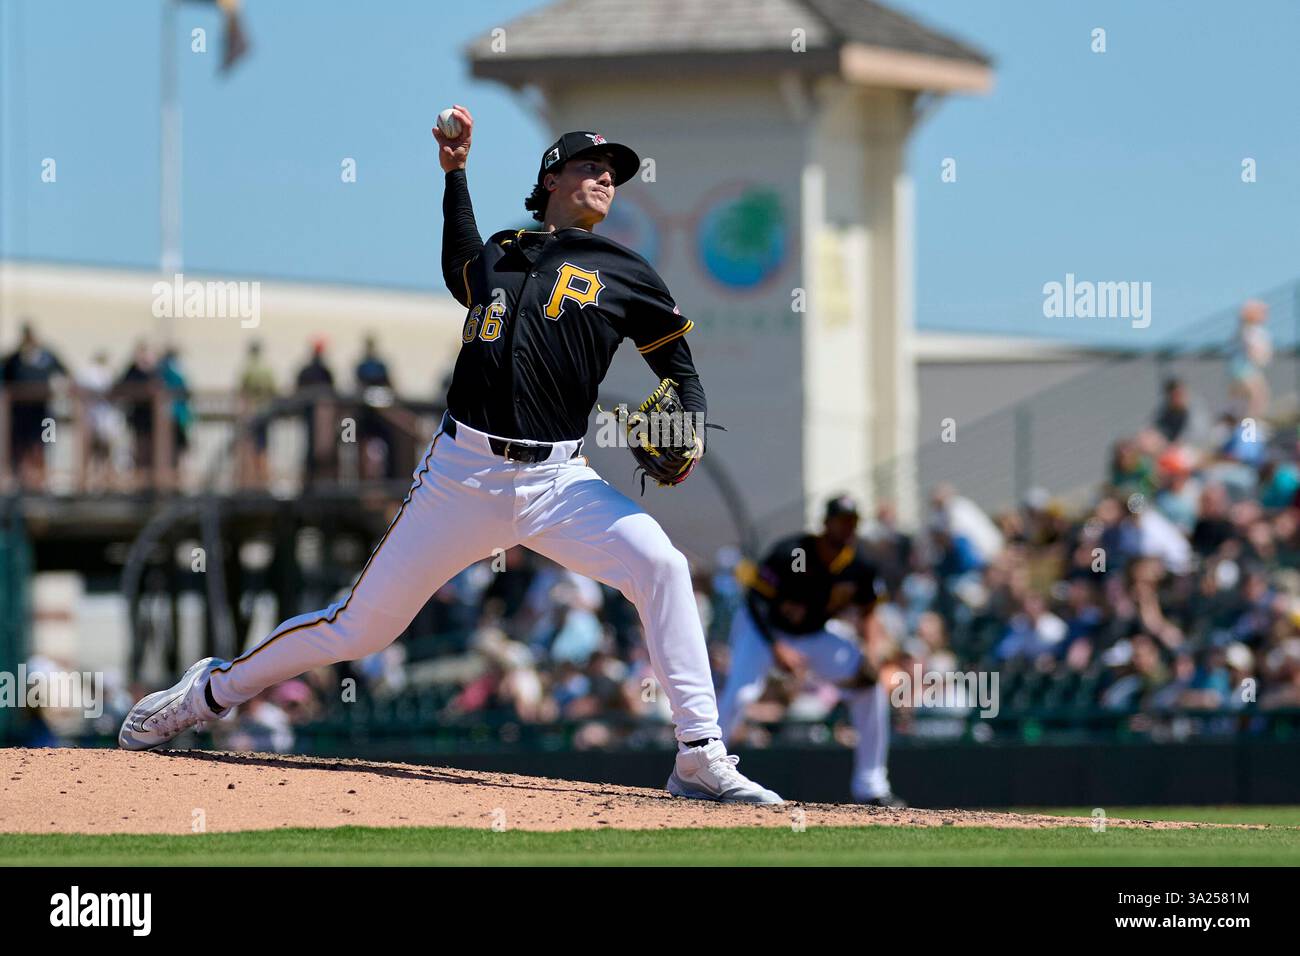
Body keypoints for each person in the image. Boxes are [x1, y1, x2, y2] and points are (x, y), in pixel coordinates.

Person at [119, 106, 781, 804]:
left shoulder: (626, 270)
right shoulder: (501, 250)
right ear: (551, 177)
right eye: (591, 166)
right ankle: (211, 691)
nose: (606, 179)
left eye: (614, 174)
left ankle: (699, 755)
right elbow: (458, 263)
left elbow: (680, 368)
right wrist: (455, 172)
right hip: (460, 477)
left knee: (663, 566)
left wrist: (692, 424)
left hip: (559, 481)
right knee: (360, 627)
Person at [717, 495, 904, 806]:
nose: (846, 527)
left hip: (813, 636)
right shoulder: (794, 552)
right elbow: (756, 600)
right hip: (763, 628)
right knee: (742, 693)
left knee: (869, 686)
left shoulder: (860, 565)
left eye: (852, 521)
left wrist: (871, 652)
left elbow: (868, 611)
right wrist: (777, 647)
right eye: (841, 520)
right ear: (826, 522)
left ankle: (871, 786)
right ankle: (705, 771)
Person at [1, 322, 67, 489]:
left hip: (44, 413)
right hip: (21, 414)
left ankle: (41, 482)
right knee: (20, 447)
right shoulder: (14, 359)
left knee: (44, 445)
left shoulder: (48, 357)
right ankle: (23, 481)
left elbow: (65, 374)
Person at [237, 340, 277, 488]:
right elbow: (274, 390)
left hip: (252, 412)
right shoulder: (268, 369)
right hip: (266, 411)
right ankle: (264, 478)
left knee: (251, 446)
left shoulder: (248, 369)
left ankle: (252, 479)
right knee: (264, 445)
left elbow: (242, 392)